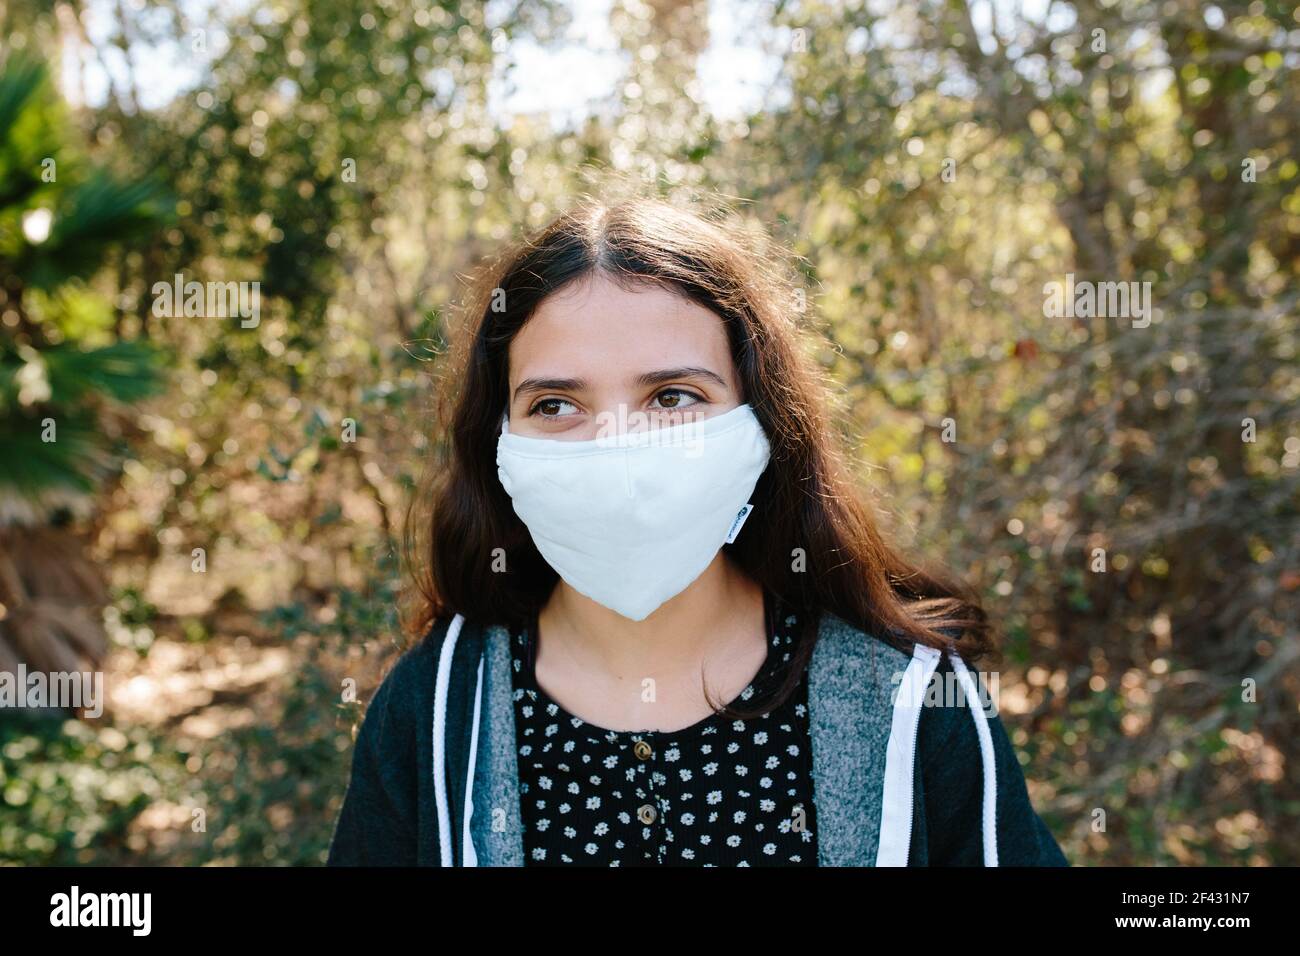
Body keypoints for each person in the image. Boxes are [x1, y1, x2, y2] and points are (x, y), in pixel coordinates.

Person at [326, 193, 1068, 867]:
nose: (615, 447)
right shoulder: (433, 711)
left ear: (762, 425)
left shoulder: (911, 700)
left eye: (671, 395)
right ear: (498, 439)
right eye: (556, 404)